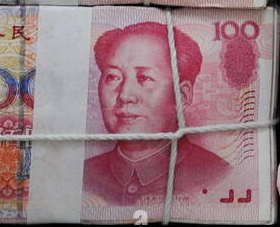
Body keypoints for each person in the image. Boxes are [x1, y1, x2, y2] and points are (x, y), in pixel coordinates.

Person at [83, 21, 231, 205]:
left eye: (144, 78)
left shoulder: (220, 176)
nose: (125, 95)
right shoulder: (83, 177)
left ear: (182, 95)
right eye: (113, 77)